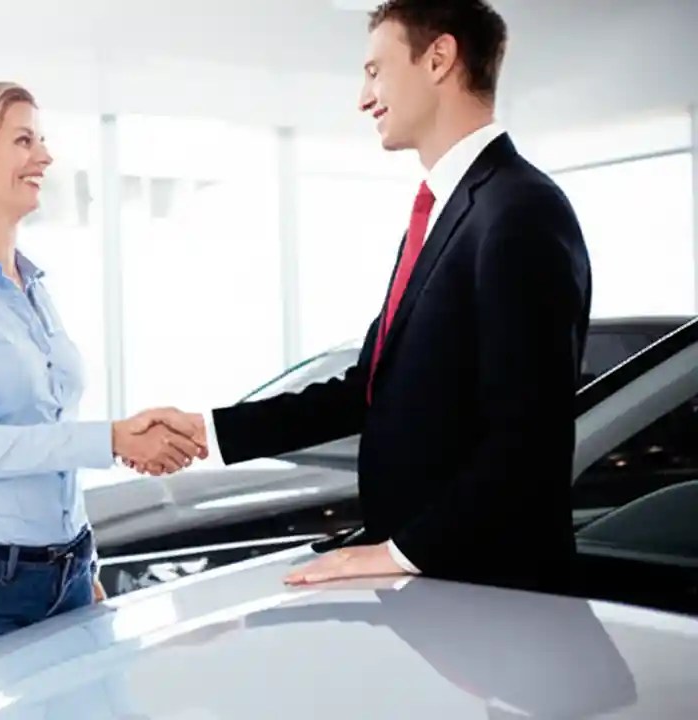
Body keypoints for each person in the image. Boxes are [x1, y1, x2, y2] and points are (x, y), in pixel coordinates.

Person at [137, 0, 592, 593]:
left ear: (439, 58)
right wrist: (207, 431)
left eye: (375, 70)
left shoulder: (520, 211)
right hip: (438, 592)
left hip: (491, 595)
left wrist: (400, 553)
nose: (362, 97)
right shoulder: (448, 212)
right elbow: (369, 390)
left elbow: (530, 439)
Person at [0, 81, 207, 670]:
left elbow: (48, 427)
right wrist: (113, 438)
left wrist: (79, 561)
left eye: (42, 139)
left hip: (66, 572)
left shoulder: (32, 285)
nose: (45, 156)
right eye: (23, 139)